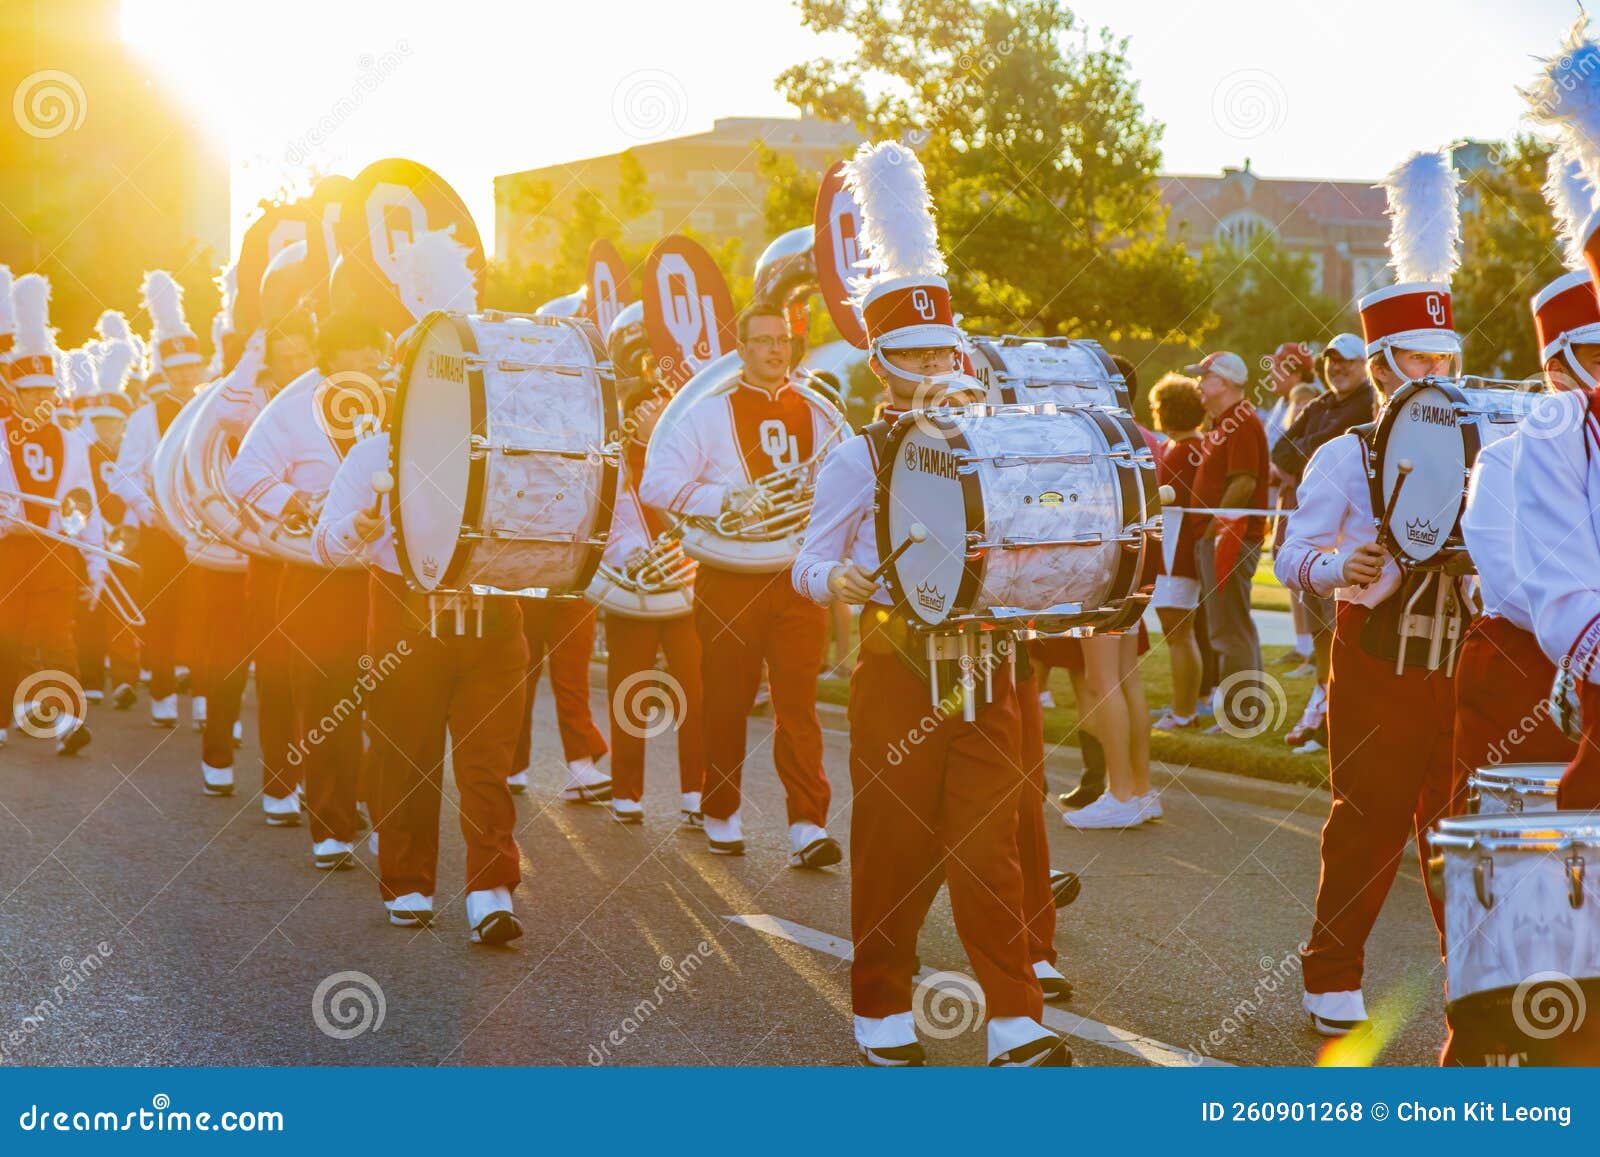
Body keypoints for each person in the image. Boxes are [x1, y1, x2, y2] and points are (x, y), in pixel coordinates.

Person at [791, 138, 1067, 1067]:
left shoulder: (998, 443)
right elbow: (805, 558)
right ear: (882, 365)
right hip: (900, 668)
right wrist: (832, 578)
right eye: (912, 355)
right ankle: (879, 1007)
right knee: (897, 848)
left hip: (991, 665)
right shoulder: (854, 455)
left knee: (992, 849)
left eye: (944, 349)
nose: (935, 367)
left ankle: (1017, 1019)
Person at [1275, 146, 1464, 1036]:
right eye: (1416, 358)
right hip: (1378, 655)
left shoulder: (1485, 449)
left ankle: (1476, 970)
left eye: (1444, 356)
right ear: (1383, 365)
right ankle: (1331, 968)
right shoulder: (1343, 454)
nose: (1433, 372)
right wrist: (1334, 569)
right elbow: (1291, 555)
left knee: (1462, 827)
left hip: (1464, 661)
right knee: (1369, 822)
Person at [639, 304, 842, 865]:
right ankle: (720, 808)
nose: (776, 350)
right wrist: (725, 500)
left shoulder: (822, 414)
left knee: (798, 703)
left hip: (796, 576)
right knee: (726, 700)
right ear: (742, 348)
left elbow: (843, 488)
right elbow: (657, 483)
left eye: (783, 340)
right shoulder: (707, 415)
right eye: (762, 341)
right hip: (729, 577)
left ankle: (808, 825)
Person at [228, 309, 387, 868]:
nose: (374, 356)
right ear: (332, 355)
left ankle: (370, 804)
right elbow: (242, 475)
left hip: (385, 577)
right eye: (360, 346)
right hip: (317, 578)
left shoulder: (398, 396)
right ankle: (330, 826)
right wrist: (299, 501)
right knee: (326, 705)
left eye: (378, 344)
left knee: (392, 705)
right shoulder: (293, 407)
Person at [597, 303, 705, 825]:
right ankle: (627, 794)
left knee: (695, 692)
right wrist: (630, 558)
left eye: (659, 407)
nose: (651, 415)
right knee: (628, 691)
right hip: (631, 589)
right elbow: (602, 526)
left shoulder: (685, 460)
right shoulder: (612, 466)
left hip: (685, 590)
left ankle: (696, 794)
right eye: (642, 409)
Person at [0, 273, 99, 755]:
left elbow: (84, 504)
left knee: (59, 639)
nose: (41, 400)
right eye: (31, 392)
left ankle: (70, 720)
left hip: (55, 551)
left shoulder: (71, 438)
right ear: (15, 394)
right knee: (8, 640)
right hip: (10, 552)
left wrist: (95, 562)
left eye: (47, 392)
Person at [1270, 334, 1376, 751]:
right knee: (1318, 623)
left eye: (1347, 361)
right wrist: (1315, 454)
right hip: (1316, 535)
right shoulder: (1322, 404)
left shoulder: (1366, 403)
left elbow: (1307, 453)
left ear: (1364, 365)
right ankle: (1322, 699)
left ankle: (1332, 713)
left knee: (1339, 626)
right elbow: (1281, 452)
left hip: (1349, 539)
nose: (1338, 368)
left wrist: (1312, 455)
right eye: (1332, 361)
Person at [112, 271, 207, 730]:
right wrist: (151, 514)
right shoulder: (146, 414)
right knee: (163, 613)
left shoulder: (212, 409)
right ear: (164, 372)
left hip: (208, 527)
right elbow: (123, 475)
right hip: (160, 530)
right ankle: (164, 692)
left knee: (208, 611)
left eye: (193, 367)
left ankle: (208, 698)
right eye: (179, 369)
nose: (188, 375)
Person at [1186, 350, 1269, 736]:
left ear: (1225, 381)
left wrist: (1212, 530)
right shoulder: (1227, 422)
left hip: (1229, 539)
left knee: (1227, 629)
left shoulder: (1241, 423)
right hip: (1224, 537)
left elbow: (1244, 482)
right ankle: (1244, 711)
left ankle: (1239, 716)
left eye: (1205, 377)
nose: (1199, 385)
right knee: (1232, 626)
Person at [73, 338, 139, 706]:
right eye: (100, 422)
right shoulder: (81, 451)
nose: (106, 429)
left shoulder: (132, 453)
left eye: (113, 423)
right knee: (90, 608)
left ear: (123, 423)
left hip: (125, 538)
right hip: (91, 538)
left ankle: (126, 678)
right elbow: (79, 495)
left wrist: (128, 527)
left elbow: (138, 491)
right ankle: (92, 677)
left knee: (125, 604)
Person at [1149, 373, 1207, 731]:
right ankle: (1184, 705)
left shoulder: (1187, 450)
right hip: (1173, 548)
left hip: (1178, 550)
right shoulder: (1180, 447)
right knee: (1179, 632)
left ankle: (1184, 711)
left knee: (1178, 632)